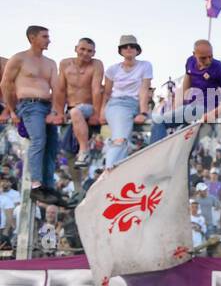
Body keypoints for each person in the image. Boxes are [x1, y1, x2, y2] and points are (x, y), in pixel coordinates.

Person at [1, 26, 69, 206]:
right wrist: (12, 110)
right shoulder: (19, 58)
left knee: (53, 146)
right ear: (32, 38)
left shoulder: (50, 62)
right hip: (29, 105)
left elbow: (57, 88)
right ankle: (36, 185)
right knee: (39, 140)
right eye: (45, 36)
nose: (49, 40)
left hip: (47, 106)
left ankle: (48, 186)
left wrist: (56, 111)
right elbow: (6, 84)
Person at [152, 39, 221, 144]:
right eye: (203, 58)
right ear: (194, 54)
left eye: (210, 56)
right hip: (191, 110)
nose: (208, 61)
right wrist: (180, 106)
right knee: (181, 145)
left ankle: (156, 154)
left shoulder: (218, 67)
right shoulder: (190, 61)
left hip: (204, 110)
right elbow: (187, 82)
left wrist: (214, 113)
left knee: (159, 121)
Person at [97, 35, 153, 170]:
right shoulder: (112, 69)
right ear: (121, 50)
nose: (129, 48)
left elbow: (144, 90)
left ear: (137, 50)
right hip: (118, 104)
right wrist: (101, 112)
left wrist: (143, 112)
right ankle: (109, 171)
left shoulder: (145, 65)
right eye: (125, 46)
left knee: (160, 122)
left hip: (135, 104)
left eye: (132, 46)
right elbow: (107, 93)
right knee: (120, 139)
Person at [55, 37, 103, 166]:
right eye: (82, 49)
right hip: (70, 109)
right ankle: (77, 185)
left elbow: (96, 90)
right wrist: (59, 113)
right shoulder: (65, 64)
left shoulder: (96, 64)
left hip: (88, 107)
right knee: (69, 153)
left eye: (89, 51)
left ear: (93, 53)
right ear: (76, 48)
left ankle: (84, 150)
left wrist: (96, 114)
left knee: (76, 112)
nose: (85, 53)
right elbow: (60, 89)